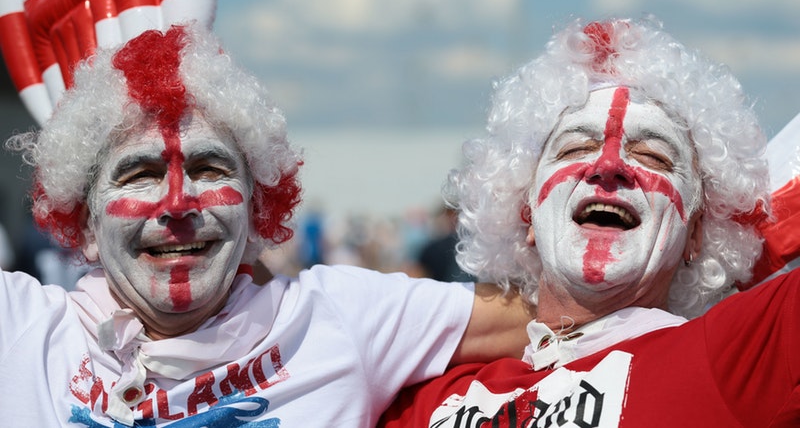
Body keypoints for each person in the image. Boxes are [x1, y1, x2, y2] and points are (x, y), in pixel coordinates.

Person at [0, 23, 533, 427]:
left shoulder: (339, 317)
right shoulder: (20, 329)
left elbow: (545, 315)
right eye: (140, 173)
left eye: (211, 168)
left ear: (256, 212)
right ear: (87, 224)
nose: (179, 204)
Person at [380, 16, 799, 427]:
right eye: (574, 148)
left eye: (653, 156)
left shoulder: (735, 357)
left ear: (695, 233)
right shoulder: (425, 401)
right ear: (526, 213)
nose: (609, 164)